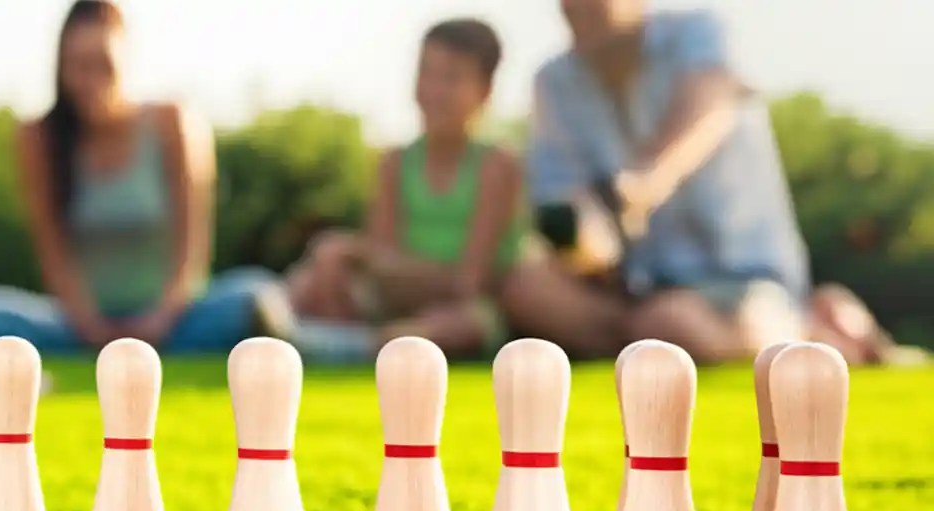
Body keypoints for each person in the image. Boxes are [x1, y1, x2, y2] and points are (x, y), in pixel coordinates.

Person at [503, 0, 896, 364]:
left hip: (740, 276)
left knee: (669, 324)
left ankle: (809, 333)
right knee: (528, 289)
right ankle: (680, 340)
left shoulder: (697, 33)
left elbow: (710, 104)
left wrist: (645, 183)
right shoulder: (554, 81)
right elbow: (566, 196)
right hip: (636, 288)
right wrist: (588, 240)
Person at [0, 0, 280, 354]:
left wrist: (158, 321)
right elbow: (53, 254)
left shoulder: (172, 122)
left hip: (173, 318)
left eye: (102, 65)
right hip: (79, 325)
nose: (89, 80)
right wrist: (91, 326)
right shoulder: (39, 138)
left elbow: (192, 251)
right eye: (77, 66)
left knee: (254, 297)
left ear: (126, 60)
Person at [283, 19, 524, 361]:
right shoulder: (395, 162)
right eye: (426, 72)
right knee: (324, 263)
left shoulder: (497, 166)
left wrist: (382, 263)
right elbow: (383, 259)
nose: (434, 90)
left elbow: (469, 283)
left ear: (484, 91)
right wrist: (349, 256)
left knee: (463, 324)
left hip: (461, 311)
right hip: (396, 302)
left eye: (451, 77)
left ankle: (349, 345)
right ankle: (328, 336)